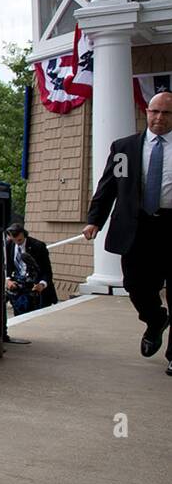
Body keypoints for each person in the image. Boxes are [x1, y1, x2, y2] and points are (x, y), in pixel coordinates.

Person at [84, 90, 172, 374]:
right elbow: (108, 186)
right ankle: (155, 320)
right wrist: (94, 219)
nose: (158, 118)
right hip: (138, 227)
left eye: (166, 113)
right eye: (154, 111)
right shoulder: (125, 148)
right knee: (136, 285)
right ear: (147, 111)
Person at [4, 224, 56, 311]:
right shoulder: (8, 246)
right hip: (19, 289)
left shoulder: (38, 246)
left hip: (37, 290)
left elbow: (47, 271)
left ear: (24, 234)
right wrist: (8, 280)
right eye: (14, 240)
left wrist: (42, 284)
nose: (17, 242)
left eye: (20, 240)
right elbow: (6, 267)